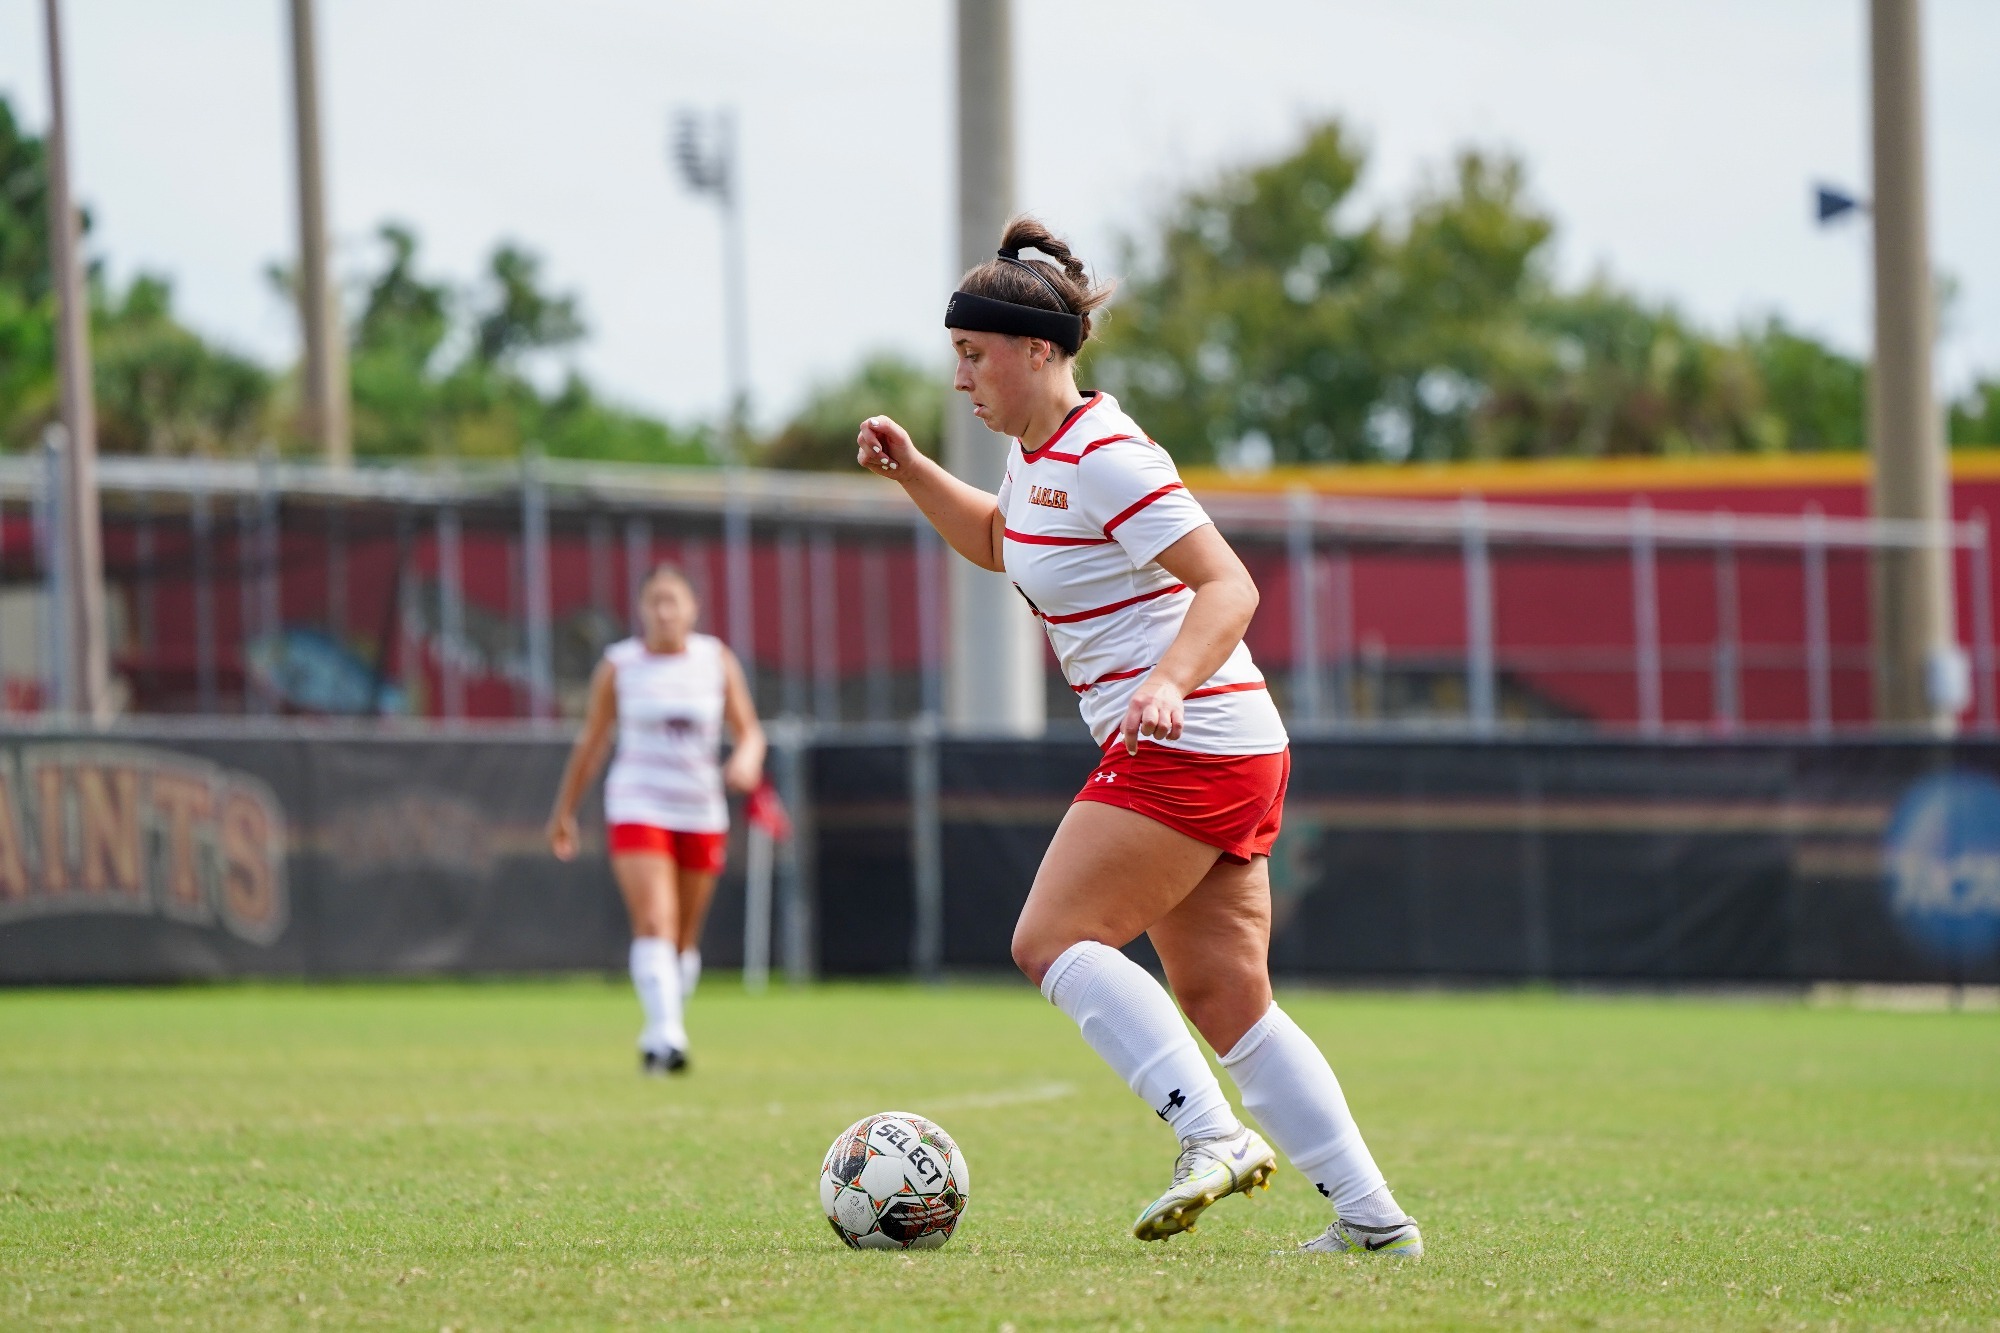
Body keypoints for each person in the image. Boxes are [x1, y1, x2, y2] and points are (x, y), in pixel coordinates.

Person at [855, 216, 1422, 1257]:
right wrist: (914, 471)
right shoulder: (1040, 459)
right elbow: (1000, 539)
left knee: (1047, 939)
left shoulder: (1106, 451)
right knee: (1224, 996)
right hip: (1225, 740)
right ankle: (1373, 1220)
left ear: (1037, 352)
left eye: (972, 355)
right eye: (955, 358)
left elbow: (1229, 583)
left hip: (1190, 733)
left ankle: (1208, 1132)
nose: (959, 378)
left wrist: (1164, 682)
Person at [546, 564, 765, 1074]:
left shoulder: (715, 661)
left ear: (693, 609)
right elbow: (592, 742)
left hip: (701, 808)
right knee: (654, 922)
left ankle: (658, 1031)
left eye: (673, 601)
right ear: (641, 610)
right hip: (638, 803)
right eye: (654, 602)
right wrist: (565, 812)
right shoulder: (621, 666)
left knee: (684, 939)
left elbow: (749, 731)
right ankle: (669, 1038)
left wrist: (746, 758)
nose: (664, 612)